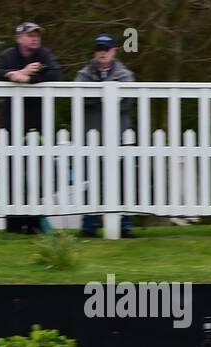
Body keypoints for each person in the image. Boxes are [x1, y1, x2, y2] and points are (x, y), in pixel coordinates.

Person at [0, 22, 62, 234]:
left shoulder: (44, 55)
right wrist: (13, 74)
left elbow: (57, 76)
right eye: (30, 35)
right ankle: (14, 222)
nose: (35, 38)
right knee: (11, 171)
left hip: (39, 123)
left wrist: (28, 77)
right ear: (19, 38)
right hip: (12, 123)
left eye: (37, 35)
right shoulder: (8, 55)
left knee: (38, 172)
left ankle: (34, 220)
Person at [74, 34, 136, 238]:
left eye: (106, 49)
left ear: (114, 51)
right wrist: (107, 97)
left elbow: (125, 102)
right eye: (99, 49)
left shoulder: (125, 74)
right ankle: (89, 225)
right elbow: (80, 99)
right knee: (90, 183)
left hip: (119, 138)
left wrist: (99, 97)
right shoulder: (83, 74)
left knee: (124, 183)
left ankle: (125, 226)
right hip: (92, 137)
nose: (102, 53)